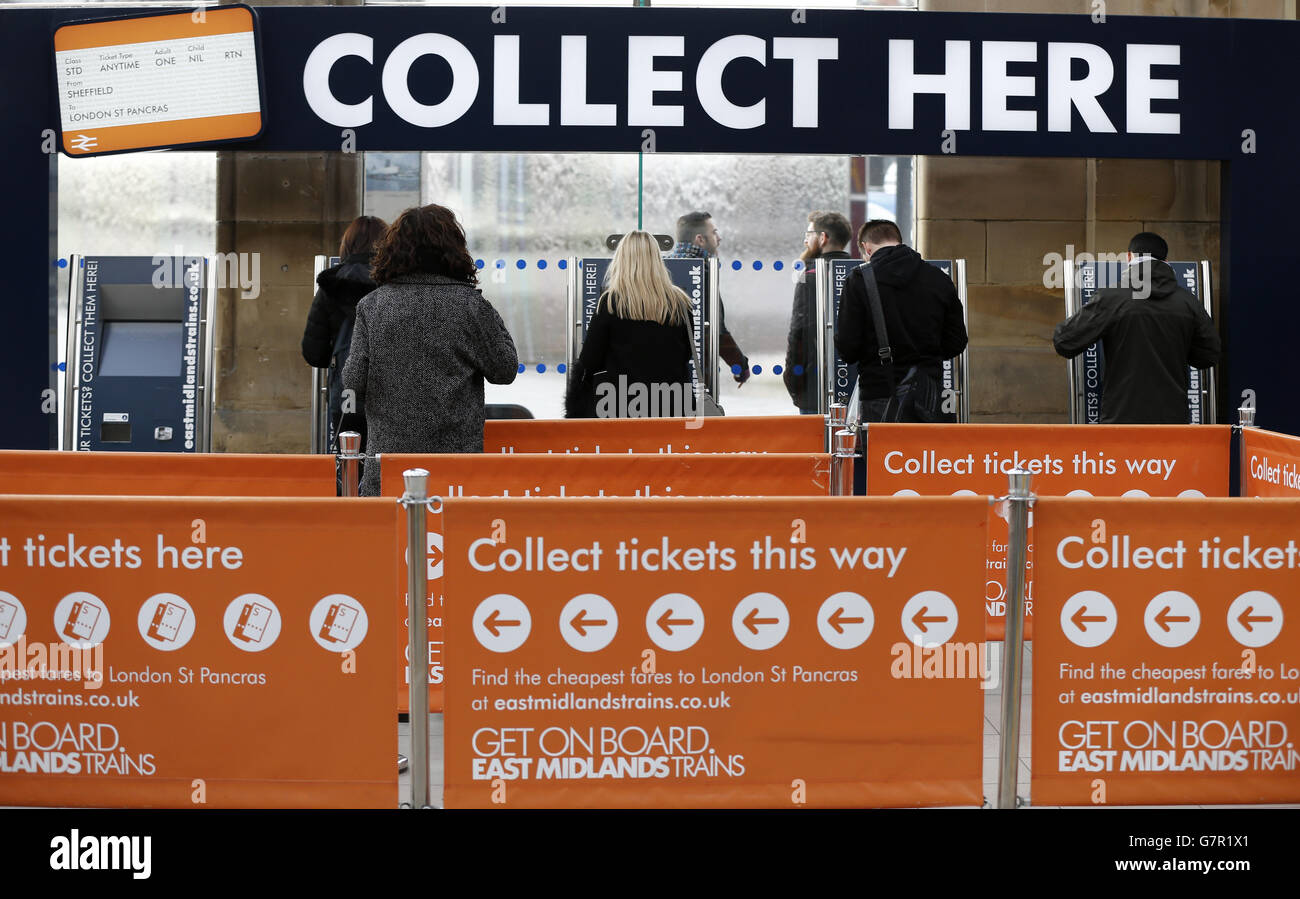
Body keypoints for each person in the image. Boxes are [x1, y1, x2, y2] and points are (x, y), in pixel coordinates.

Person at [341, 205, 518, 496]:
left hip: (389, 463)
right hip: (457, 465)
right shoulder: (471, 306)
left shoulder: (372, 306)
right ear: (454, 249)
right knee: (454, 538)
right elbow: (505, 370)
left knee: (388, 538)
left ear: (392, 250)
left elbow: (354, 380)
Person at [1054, 231, 1220, 423]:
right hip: (1173, 422)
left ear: (1129, 257)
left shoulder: (1112, 298)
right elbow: (1209, 355)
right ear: (1165, 260)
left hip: (1121, 420)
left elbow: (1064, 341)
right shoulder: (1188, 302)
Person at [835, 219, 968, 422]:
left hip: (878, 393)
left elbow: (848, 349)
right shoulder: (938, 278)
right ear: (899, 241)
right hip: (930, 395)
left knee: (883, 454)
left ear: (866, 248)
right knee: (926, 454)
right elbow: (956, 341)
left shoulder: (858, 281)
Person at [565, 230, 695, 419]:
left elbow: (590, 360)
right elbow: (687, 354)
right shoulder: (680, 303)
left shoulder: (610, 303)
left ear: (621, 260)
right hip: (671, 405)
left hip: (620, 406)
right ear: (657, 260)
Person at [300, 215, 387, 452]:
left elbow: (313, 353)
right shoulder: (394, 286)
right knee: (387, 466)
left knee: (350, 462)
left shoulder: (331, 287)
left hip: (346, 395)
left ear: (347, 245)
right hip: (390, 395)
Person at [667, 211, 750, 386]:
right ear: (700, 239)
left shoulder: (662, 268)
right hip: (696, 374)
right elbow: (715, 330)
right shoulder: (702, 274)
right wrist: (740, 366)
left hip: (663, 373)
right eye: (714, 232)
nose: (718, 238)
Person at [784, 211, 853, 413]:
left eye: (809, 234)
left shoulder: (810, 277)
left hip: (816, 383)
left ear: (822, 238)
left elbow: (799, 332)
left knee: (816, 442)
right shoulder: (861, 273)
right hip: (854, 380)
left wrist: (793, 378)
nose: (806, 241)